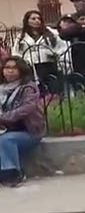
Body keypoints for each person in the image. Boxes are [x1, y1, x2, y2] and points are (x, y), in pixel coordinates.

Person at [0, 57, 45, 187]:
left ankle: (14, 174)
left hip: (29, 130)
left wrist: (4, 118)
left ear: (21, 71)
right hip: (6, 128)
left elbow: (26, 109)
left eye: (14, 68)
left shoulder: (29, 88)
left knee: (6, 140)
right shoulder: (2, 88)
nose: (10, 71)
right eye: (7, 68)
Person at [14, 10, 66, 88]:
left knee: (53, 88)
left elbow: (62, 47)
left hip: (49, 65)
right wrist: (23, 62)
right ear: (27, 21)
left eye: (39, 18)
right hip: (31, 67)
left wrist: (55, 54)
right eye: (33, 19)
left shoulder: (51, 33)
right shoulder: (21, 37)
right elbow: (16, 52)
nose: (37, 21)